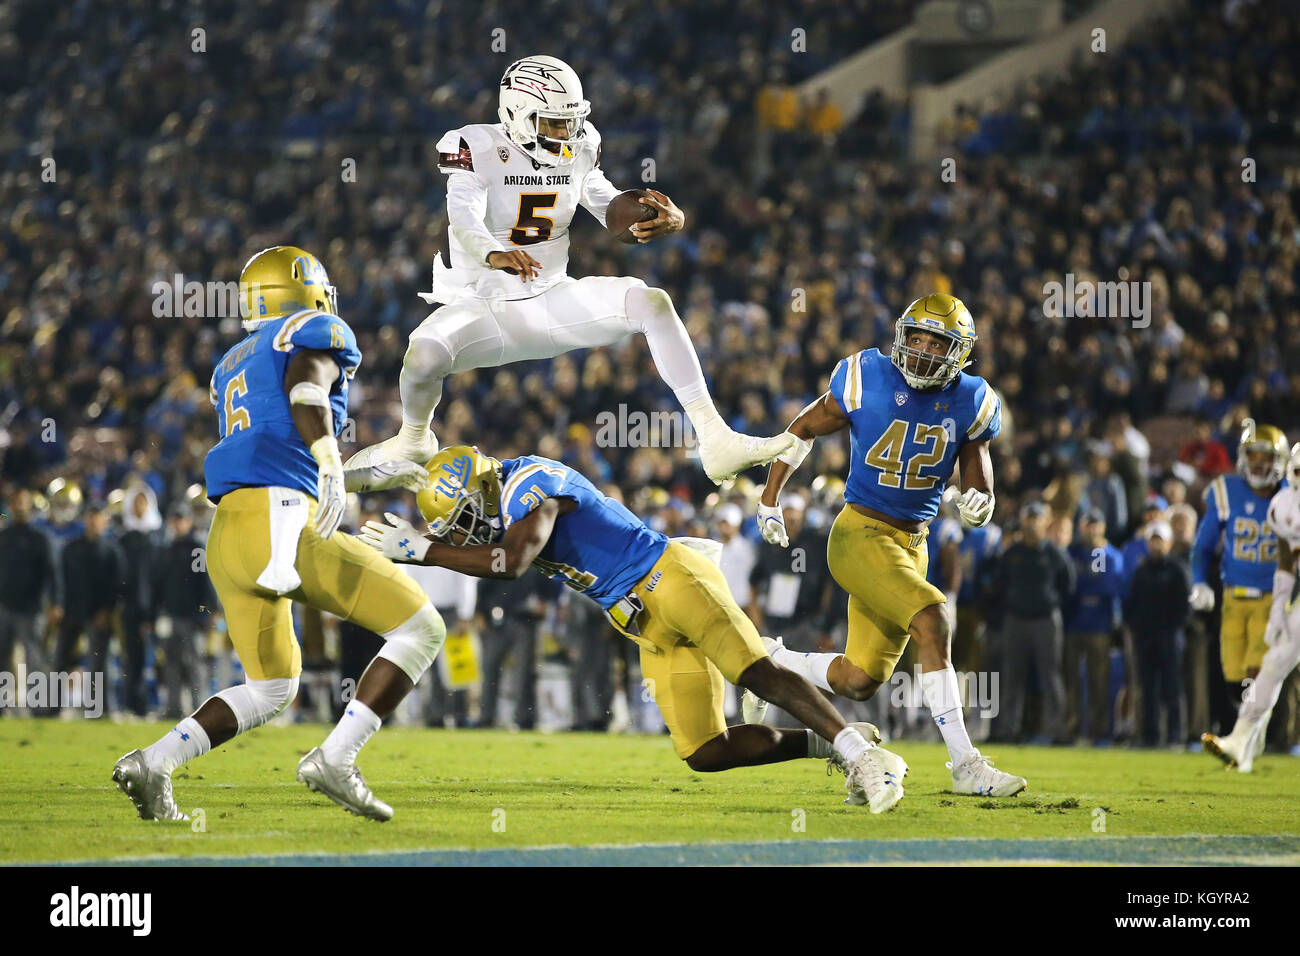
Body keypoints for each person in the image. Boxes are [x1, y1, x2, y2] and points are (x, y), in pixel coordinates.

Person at [360, 444, 907, 812]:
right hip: (643, 623)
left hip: (667, 578)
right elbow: (496, 550)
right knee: (704, 751)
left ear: (481, 488)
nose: (466, 535)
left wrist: (427, 552)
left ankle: (866, 759)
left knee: (755, 673)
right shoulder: (498, 500)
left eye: (464, 521)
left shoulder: (528, 482)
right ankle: (831, 743)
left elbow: (513, 560)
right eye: (456, 531)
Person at [344, 54, 794, 486]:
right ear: (517, 114)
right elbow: (462, 214)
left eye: (572, 121)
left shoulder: (581, 145)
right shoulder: (476, 145)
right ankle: (413, 440)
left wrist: (660, 216)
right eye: (555, 123)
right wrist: (492, 252)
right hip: (484, 306)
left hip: (551, 299)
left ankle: (715, 437)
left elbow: (602, 199)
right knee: (422, 357)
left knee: (652, 303)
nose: (567, 133)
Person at [112, 246, 442, 824]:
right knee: (422, 628)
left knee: (271, 688)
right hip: (281, 520)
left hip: (229, 534)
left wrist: (362, 472)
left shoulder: (232, 361)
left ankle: (154, 762)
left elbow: (277, 447)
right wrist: (330, 459)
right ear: (303, 290)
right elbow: (307, 391)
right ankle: (336, 758)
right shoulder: (312, 332)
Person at [750, 293, 1028, 796]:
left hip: (913, 544)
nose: (922, 350)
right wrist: (770, 497)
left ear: (959, 353)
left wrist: (981, 500)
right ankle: (965, 764)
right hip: (859, 533)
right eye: (916, 338)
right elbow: (804, 428)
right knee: (933, 619)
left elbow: (977, 467)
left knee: (858, 680)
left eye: (936, 343)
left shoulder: (973, 399)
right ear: (901, 336)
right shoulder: (867, 376)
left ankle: (771, 659)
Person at [1189, 419, 1289, 754]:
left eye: (1266, 456)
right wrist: (1199, 581)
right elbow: (1203, 546)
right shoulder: (1226, 490)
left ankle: (1250, 741)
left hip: (1273, 598)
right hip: (1232, 597)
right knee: (1235, 680)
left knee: (1258, 673)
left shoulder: (1291, 496)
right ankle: (1251, 737)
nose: (1259, 464)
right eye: (1253, 455)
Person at [1203, 444, 1300, 771]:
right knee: (1273, 662)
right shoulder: (1283, 505)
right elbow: (1286, 560)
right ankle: (1240, 740)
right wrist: (1279, 608)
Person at [992, 502, 1076, 744]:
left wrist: (1051, 603)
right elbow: (1001, 583)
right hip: (1016, 619)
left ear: (1044, 521)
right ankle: (1009, 730)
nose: (1032, 523)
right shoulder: (1012, 553)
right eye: (1029, 518)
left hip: (1046, 620)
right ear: (1023, 521)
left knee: (1051, 676)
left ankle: (1056, 730)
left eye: (1036, 518)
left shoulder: (1054, 553)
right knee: (1012, 677)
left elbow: (1068, 585)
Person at [1126, 522, 1190, 747]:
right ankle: (1150, 736)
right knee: (1148, 688)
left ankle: (1175, 735)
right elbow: (1133, 602)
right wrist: (1137, 627)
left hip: (1170, 636)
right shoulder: (1141, 570)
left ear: (1168, 543)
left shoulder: (1177, 569)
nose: (1156, 545)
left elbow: (1184, 604)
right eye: (1153, 541)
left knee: (1172, 686)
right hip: (1145, 637)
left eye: (1159, 541)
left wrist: (1174, 627)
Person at [1065, 509, 1125, 744]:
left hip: (1099, 625)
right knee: (1071, 681)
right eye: (1087, 525)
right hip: (1073, 623)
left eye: (1095, 525)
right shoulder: (1072, 552)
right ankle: (1072, 730)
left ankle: (1099, 731)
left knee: (1099, 681)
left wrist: (1085, 588)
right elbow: (1069, 585)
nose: (1091, 530)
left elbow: (1109, 586)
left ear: (1103, 527)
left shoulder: (1110, 554)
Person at [152, 504, 217, 720]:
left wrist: (207, 611)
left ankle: (200, 709)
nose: (178, 524)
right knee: (171, 663)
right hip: (171, 616)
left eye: (182, 520)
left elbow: (204, 581)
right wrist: (158, 612)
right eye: (175, 520)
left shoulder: (196, 549)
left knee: (194, 663)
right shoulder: (166, 550)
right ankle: (173, 708)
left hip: (192, 617)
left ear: (188, 522)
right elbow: (159, 584)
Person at [0, 490, 57, 707]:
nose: (20, 506)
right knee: (2, 659)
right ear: (11, 506)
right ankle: (3, 705)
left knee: (35, 659)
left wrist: (55, 601)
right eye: (16, 502)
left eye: (23, 502)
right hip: (4, 606)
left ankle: (40, 707)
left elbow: (52, 572)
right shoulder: (4, 536)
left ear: (30, 506)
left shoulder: (40, 538)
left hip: (31, 608)